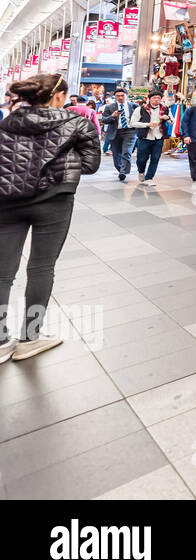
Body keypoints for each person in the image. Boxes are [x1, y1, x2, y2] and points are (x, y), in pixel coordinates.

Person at [0, 73, 101, 362]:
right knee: (42, 268)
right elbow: (91, 164)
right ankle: (30, 338)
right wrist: (59, 165)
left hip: (7, 202)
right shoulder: (77, 122)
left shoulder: (7, 121)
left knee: (2, 273)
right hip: (54, 201)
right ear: (59, 96)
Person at [129, 91, 171, 186]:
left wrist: (167, 118)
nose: (156, 100)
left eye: (158, 98)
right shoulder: (141, 109)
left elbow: (172, 122)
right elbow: (132, 123)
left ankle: (149, 178)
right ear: (149, 99)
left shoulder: (165, 109)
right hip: (144, 137)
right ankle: (141, 171)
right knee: (141, 159)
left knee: (155, 158)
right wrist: (147, 124)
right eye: (154, 98)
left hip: (159, 137)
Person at [100, 88, 136, 181]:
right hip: (115, 132)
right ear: (115, 97)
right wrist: (112, 116)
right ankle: (120, 170)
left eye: (122, 95)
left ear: (126, 96)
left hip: (130, 132)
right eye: (118, 96)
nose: (120, 97)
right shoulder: (109, 107)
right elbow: (103, 120)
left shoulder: (134, 106)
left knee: (127, 152)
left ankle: (123, 172)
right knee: (116, 154)